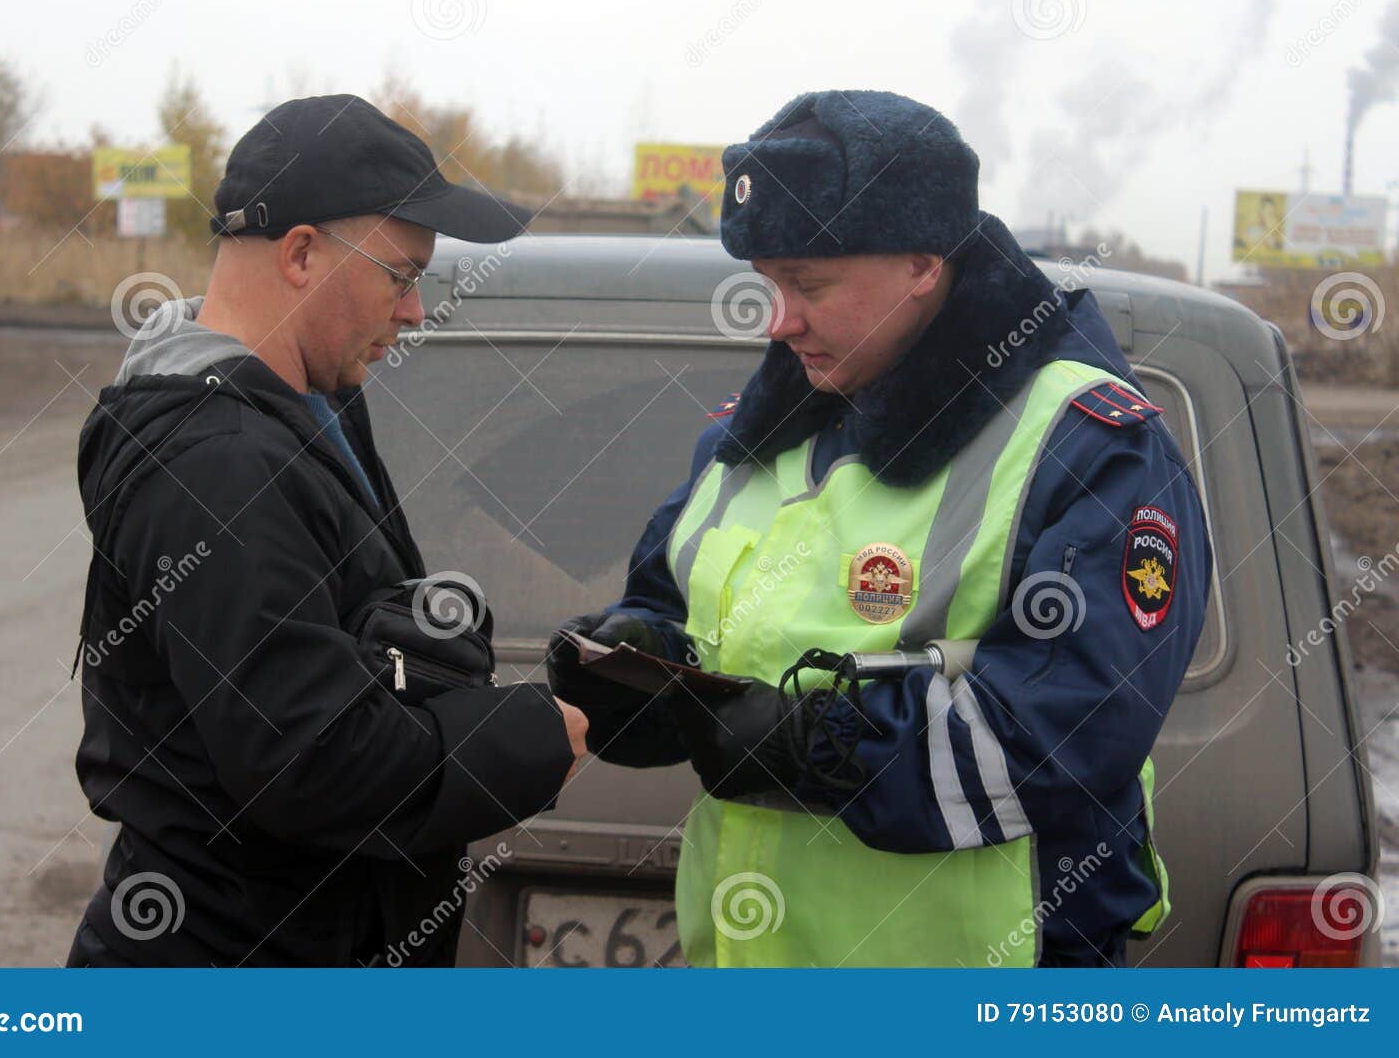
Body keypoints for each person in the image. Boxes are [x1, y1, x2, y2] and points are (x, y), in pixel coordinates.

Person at [548, 90, 1211, 968]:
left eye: (808, 285)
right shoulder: (754, 436)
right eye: (766, 285)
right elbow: (683, 609)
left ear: (923, 264)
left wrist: (811, 744)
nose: (776, 321)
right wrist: (640, 666)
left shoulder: (1092, 448)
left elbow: (1066, 736)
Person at [66, 95, 587, 968]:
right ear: (302, 253)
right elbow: (307, 757)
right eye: (401, 273)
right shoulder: (220, 459)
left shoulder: (305, 407)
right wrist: (525, 742)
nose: (415, 311)